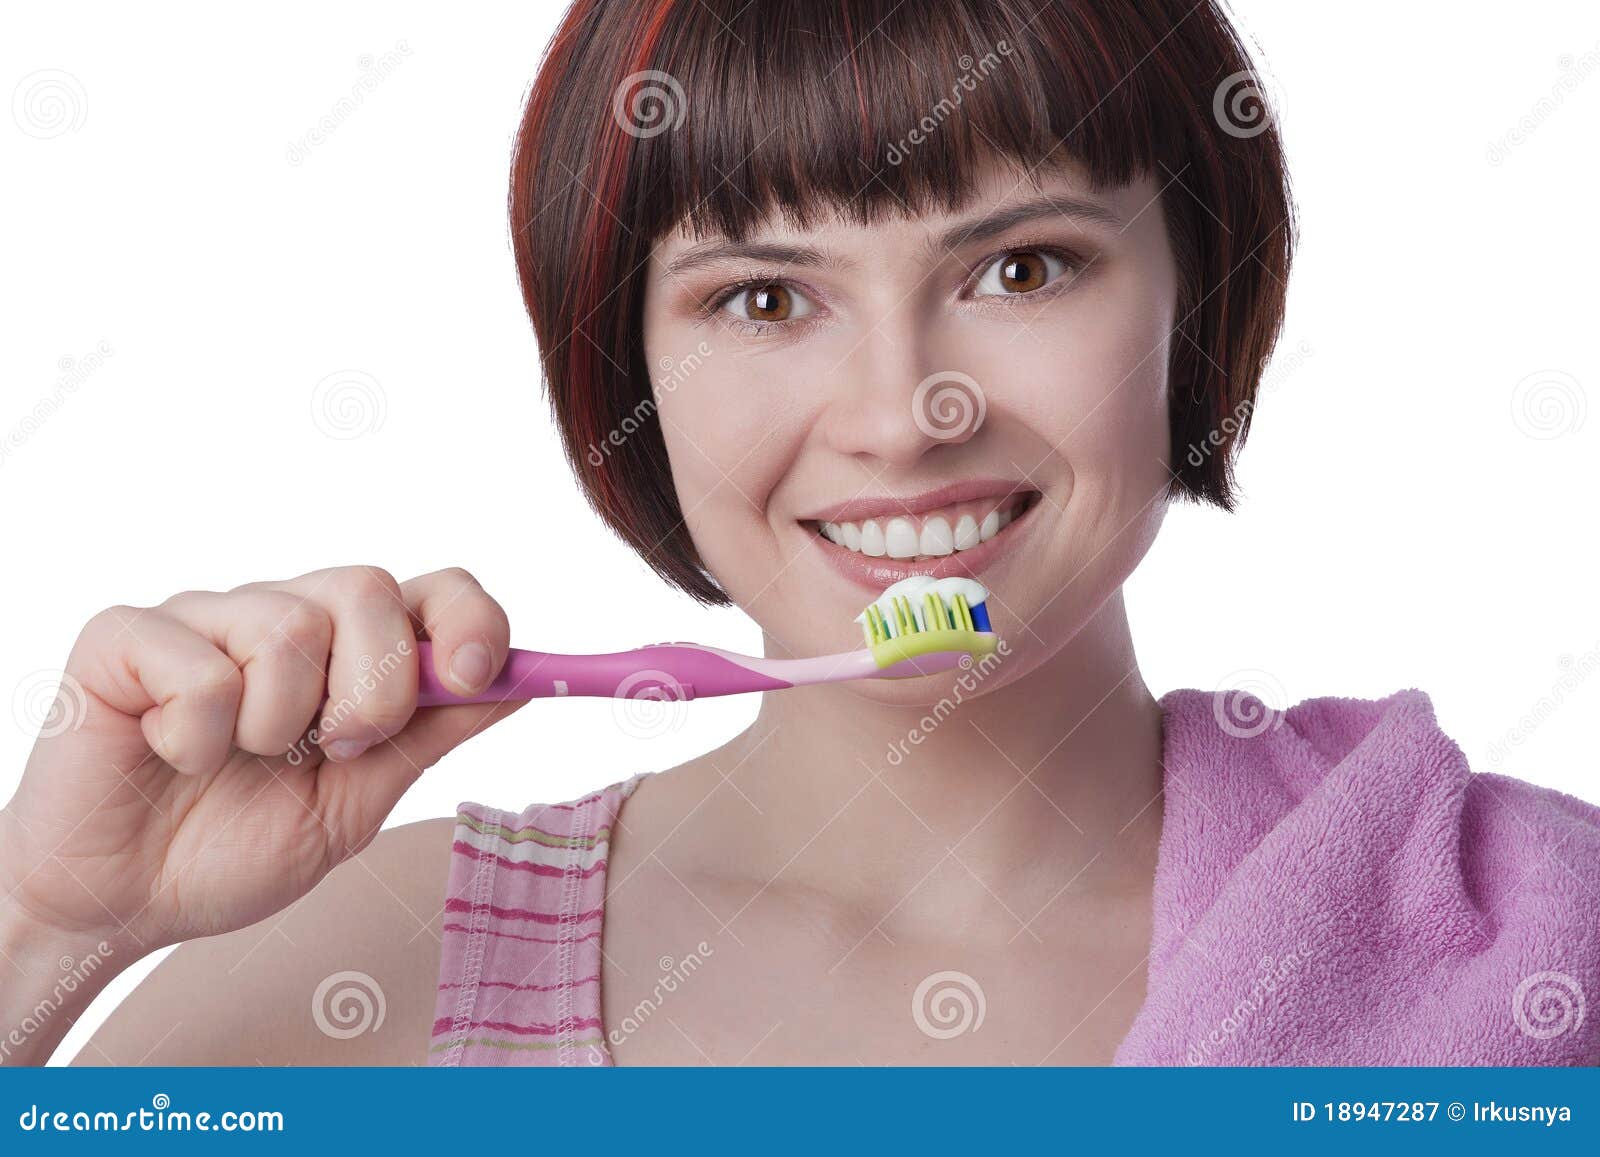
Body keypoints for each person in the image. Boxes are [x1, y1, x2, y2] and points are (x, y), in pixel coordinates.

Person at [4, 0, 1595, 1068]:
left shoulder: (1529, 931)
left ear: (1201, 297)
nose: (905, 415)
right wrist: (47, 931)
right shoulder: (361, 975)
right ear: (628, 369)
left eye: (1024, 269)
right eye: (764, 298)